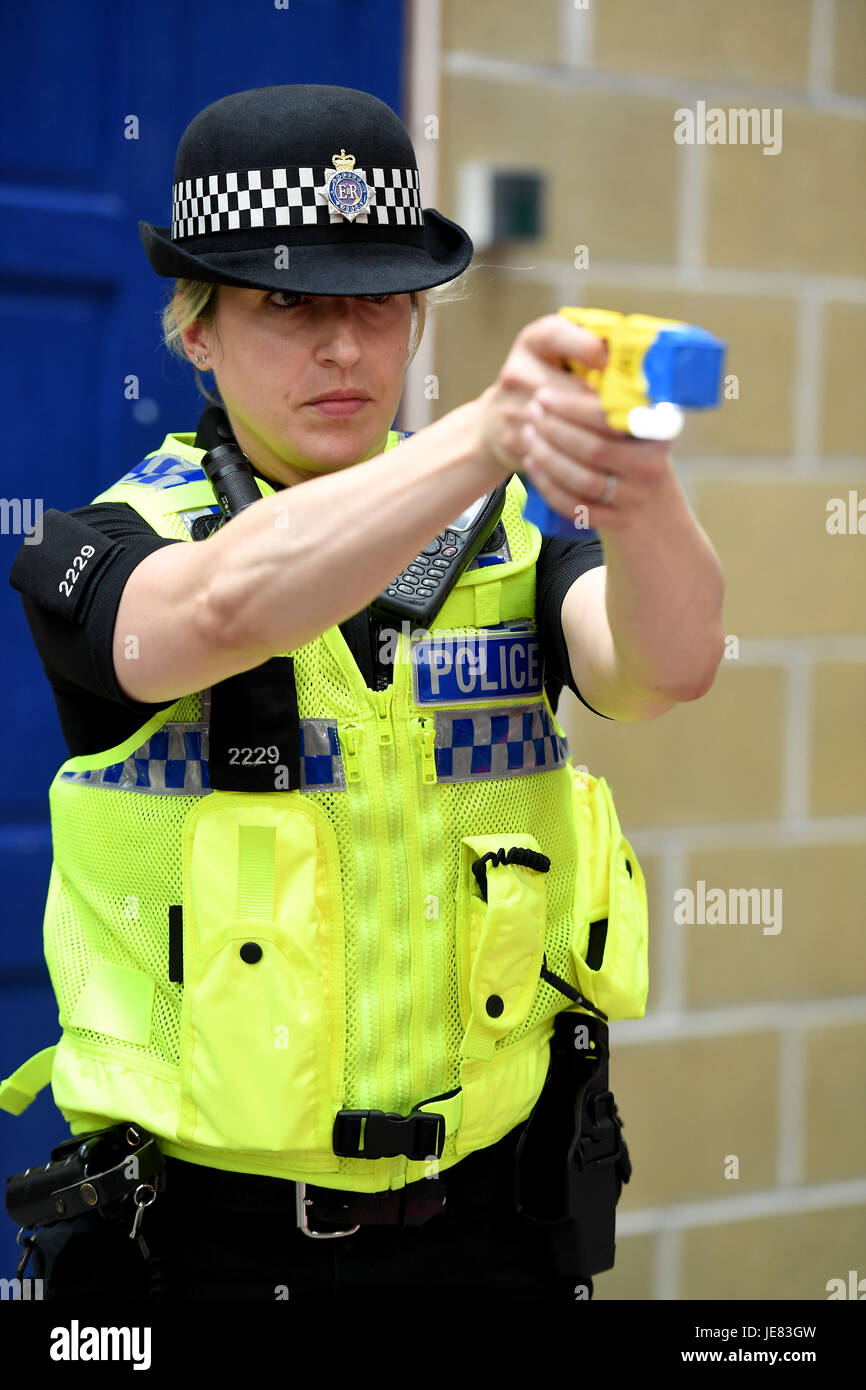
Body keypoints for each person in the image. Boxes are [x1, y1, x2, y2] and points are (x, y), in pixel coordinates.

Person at [2, 84, 725, 1305]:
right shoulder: (104, 544)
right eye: (287, 304)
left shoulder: (506, 537)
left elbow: (663, 666)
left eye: (379, 302)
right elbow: (219, 612)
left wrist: (635, 485)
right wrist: (490, 431)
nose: (344, 348)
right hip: (204, 1251)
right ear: (197, 331)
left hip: (493, 1220)